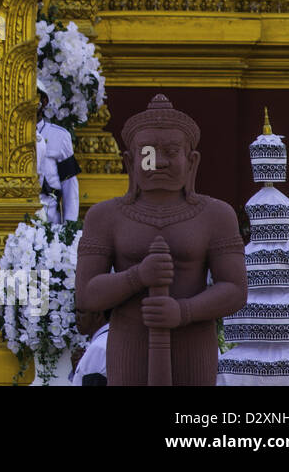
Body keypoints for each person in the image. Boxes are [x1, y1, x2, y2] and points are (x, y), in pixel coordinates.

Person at [75, 94, 247, 385]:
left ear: (192, 161)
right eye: (148, 153)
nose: (160, 162)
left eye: (171, 151)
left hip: (192, 343)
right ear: (130, 161)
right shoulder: (105, 217)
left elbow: (235, 289)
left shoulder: (216, 215)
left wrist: (183, 311)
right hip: (131, 343)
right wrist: (136, 276)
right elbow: (87, 294)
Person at [36, 87, 79, 224]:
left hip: (50, 215)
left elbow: (69, 182)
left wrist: (69, 223)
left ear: (44, 101)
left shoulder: (60, 136)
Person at [70, 310, 110, 386]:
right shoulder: (107, 338)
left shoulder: (98, 347)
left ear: (98, 315)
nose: (76, 317)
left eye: (81, 312)